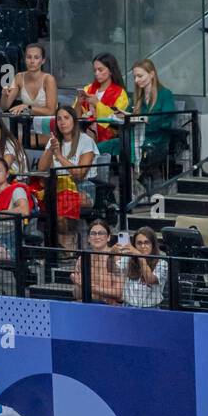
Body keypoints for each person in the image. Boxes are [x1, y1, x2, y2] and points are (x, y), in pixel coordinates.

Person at [37, 104, 100, 249]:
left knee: (60, 205)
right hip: (56, 186)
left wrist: (59, 156)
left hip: (82, 187)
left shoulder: (85, 141)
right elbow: (41, 169)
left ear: (74, 120)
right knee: (46, 202)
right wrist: (51, 149)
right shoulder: (54, 141)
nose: (62, 122)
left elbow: (80, 174)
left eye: (66, 118)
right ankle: (62, 246)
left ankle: (67, 245)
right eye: (59, 119)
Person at [130, 58, 177, 182]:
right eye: (135, 77)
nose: (136, 80)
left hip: (157, 139)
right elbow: (127, 113)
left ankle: (141, 182)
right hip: (135, 136)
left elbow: (168, 117)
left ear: (151, 74)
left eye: (140, 76)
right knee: (106, 147)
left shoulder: (165, 94)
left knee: (135, 151)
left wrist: (148, 120)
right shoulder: (137, 96)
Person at [77, 50, 130, 151]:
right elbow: (74, 114)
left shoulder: (120, 93)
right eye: (95, 70)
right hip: (85, 131)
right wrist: (79, 103)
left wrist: (97, 103)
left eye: (100, 70)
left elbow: (117, 119)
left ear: (110, 71)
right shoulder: (88, 88)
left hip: (108, 134)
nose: (96, 73)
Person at [1, 42, 59, 122]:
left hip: (49, 124)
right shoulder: (19, 77)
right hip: (29, 124)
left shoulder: (49, 79)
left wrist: (28, 107)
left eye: (36, 57)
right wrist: (4, 95)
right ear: (25, 59)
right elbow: (5, 107)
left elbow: (51, 111)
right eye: (29, 57)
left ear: (43, 61)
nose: (32, 61)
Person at [112, 224, 168, 307]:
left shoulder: (162, 263)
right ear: (134, 245)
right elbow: (112, 270)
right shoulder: (128, 259)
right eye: (139, 243)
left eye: (146, 243)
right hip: (128, 307)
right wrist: (111, 256)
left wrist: (141, 257)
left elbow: (150, 280)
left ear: (153, 245)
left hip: (151, 309)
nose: (143, 246)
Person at [74, 220, 123, 304]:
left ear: (108, 237)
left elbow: (118, 293)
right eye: (93, 233)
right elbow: (76, 295)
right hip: (87, 303)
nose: (97, 236)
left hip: (109, 306)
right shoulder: (82, 259)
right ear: (88, 239)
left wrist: (89, 287)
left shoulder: (116, 257)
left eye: (101, 233)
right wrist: (78, 284)